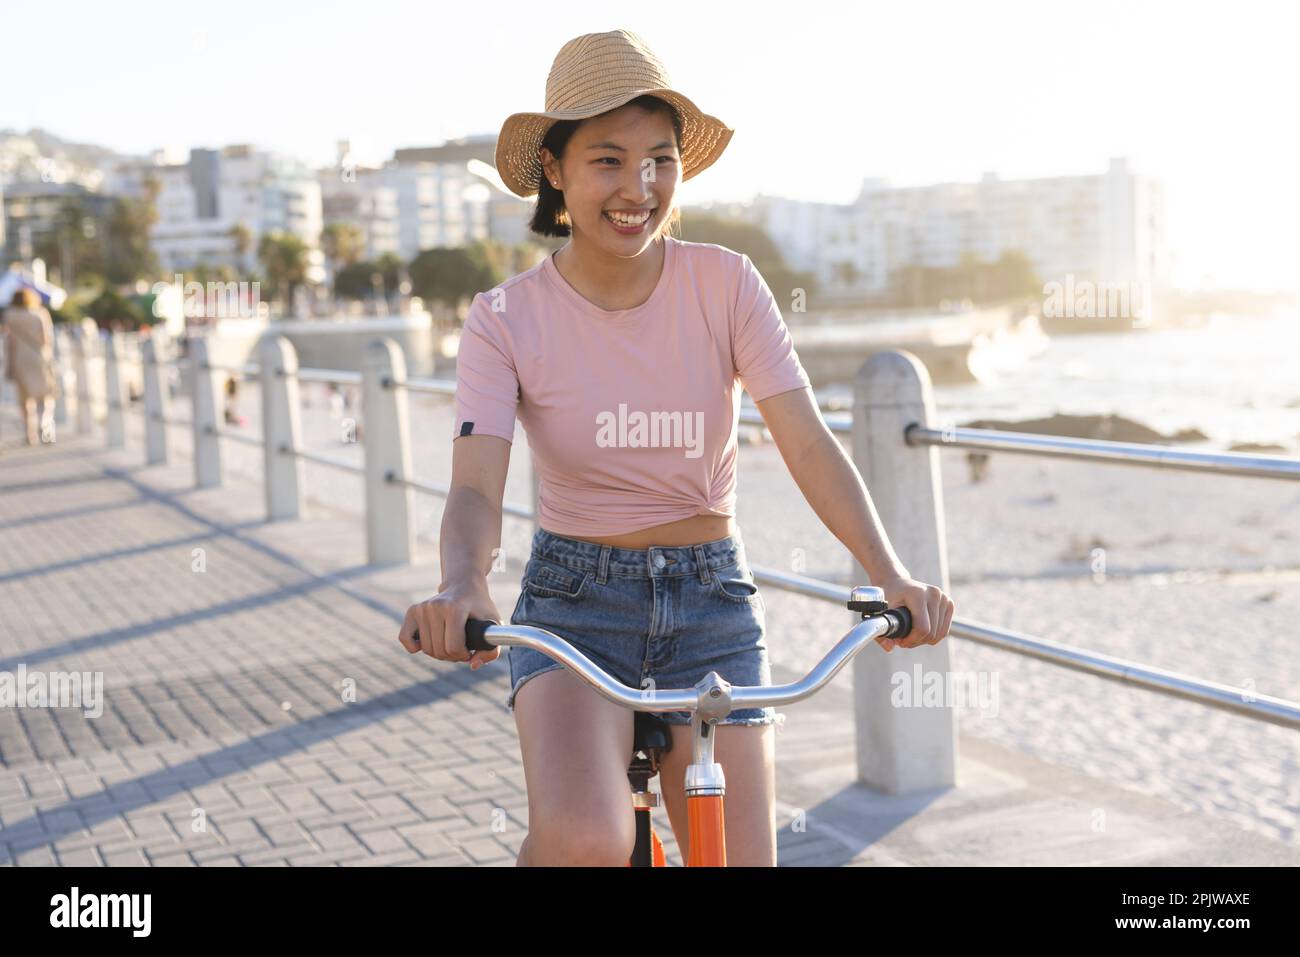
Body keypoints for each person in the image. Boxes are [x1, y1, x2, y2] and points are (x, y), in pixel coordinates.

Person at [397, 29, 956, 867]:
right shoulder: (504, 317)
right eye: (609, 161)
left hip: (712, 603)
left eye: (660, 160)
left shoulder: (726, 283)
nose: (640, 187)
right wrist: (462, 583)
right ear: (554, 169)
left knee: (735, 857)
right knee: (585, 837)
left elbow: (804, 439)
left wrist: (889, 571)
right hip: (574, 605)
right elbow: (477, 483)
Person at [1, 288, 60, 445]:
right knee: (45, 394)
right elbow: (47, 339)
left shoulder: (9, 315)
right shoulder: (40, 314)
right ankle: (44, 424)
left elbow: (9, 340)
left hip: (19, 359)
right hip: (39, 357)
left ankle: (30, 434)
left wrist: (9, 364)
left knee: (25, 398)